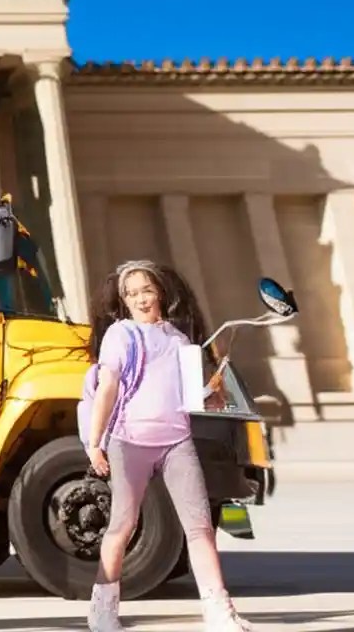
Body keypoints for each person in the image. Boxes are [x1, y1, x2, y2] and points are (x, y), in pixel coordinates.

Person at [84, 259, 254, 632]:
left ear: (159, 292)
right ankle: (103, 606)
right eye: (131, 294)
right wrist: (95, 443)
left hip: (176, 441)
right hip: (129, 442)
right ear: (124, 301)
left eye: (146, 290)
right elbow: (107, 388)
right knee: (122, 527)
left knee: (200, 528)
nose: (140, 299)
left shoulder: (178, 340)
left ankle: (219, 610)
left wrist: (215, 392)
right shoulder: (121, 334)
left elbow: (195, 399)